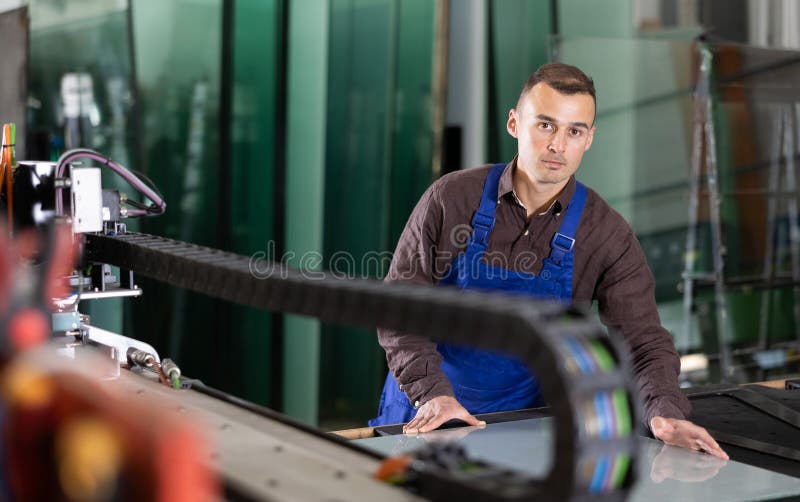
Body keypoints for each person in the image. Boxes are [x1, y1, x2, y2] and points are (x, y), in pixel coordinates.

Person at [369, 62, 728, 460]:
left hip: (527, 430)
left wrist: (663, 411)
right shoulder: (451, 199)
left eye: (574, 131)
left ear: (589, 139)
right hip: (426, 417)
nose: (558, 145)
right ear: (514, 124)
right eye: (545, 125)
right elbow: (400, 306)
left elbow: (642, 342)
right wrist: (433, 395)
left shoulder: (607, 234)